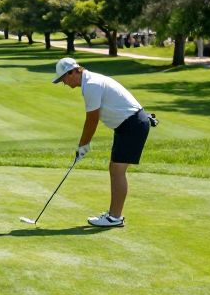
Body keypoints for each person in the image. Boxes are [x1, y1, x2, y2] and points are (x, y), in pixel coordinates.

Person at [52, 57, 156, 228]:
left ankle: (115, 217)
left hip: (132, 125)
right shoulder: (91, 81)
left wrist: (83, 145)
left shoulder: (92, 85)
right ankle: (114, 215)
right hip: (129, 125)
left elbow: (92, 120)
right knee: (115, 169)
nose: (63, 82)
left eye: (63, 78)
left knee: (117, 170)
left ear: (72, 72)